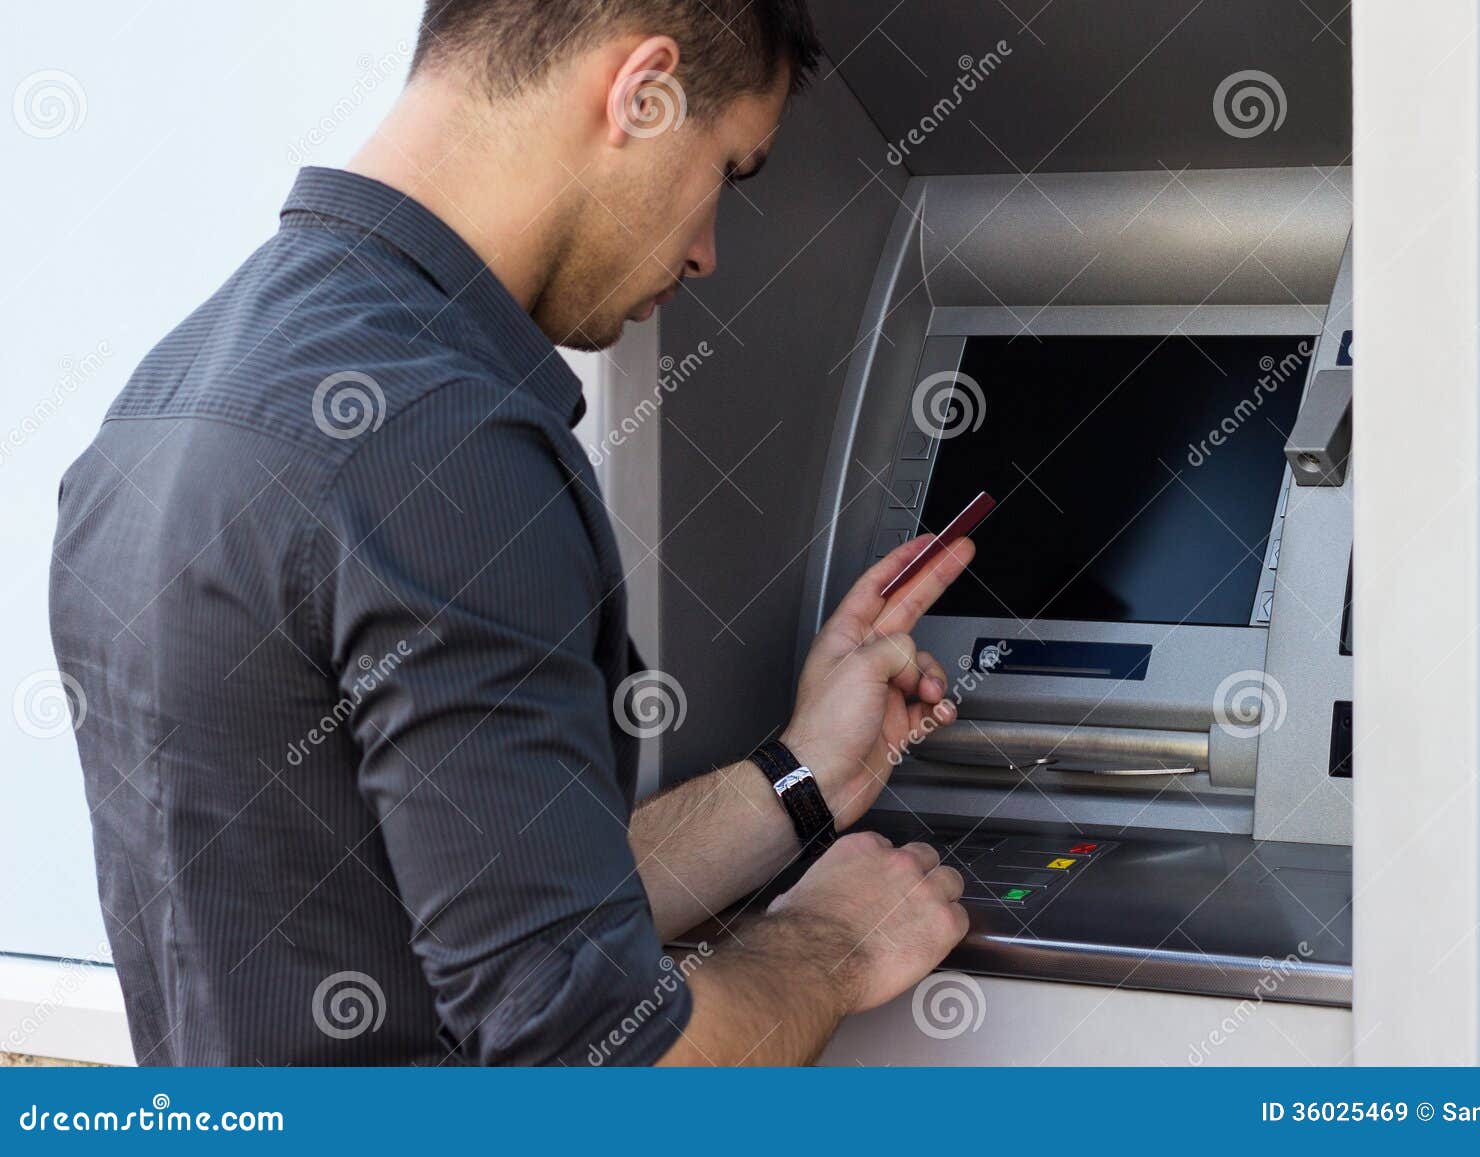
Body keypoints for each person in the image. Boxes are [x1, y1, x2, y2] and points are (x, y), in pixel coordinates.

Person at [49, 0, 975, 1066]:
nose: (709, 252)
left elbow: (475, 913)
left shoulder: (171, 393)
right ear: (643, 91)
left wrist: (803, 772)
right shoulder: (440, 445)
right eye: (730, 167)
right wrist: (831, 944)